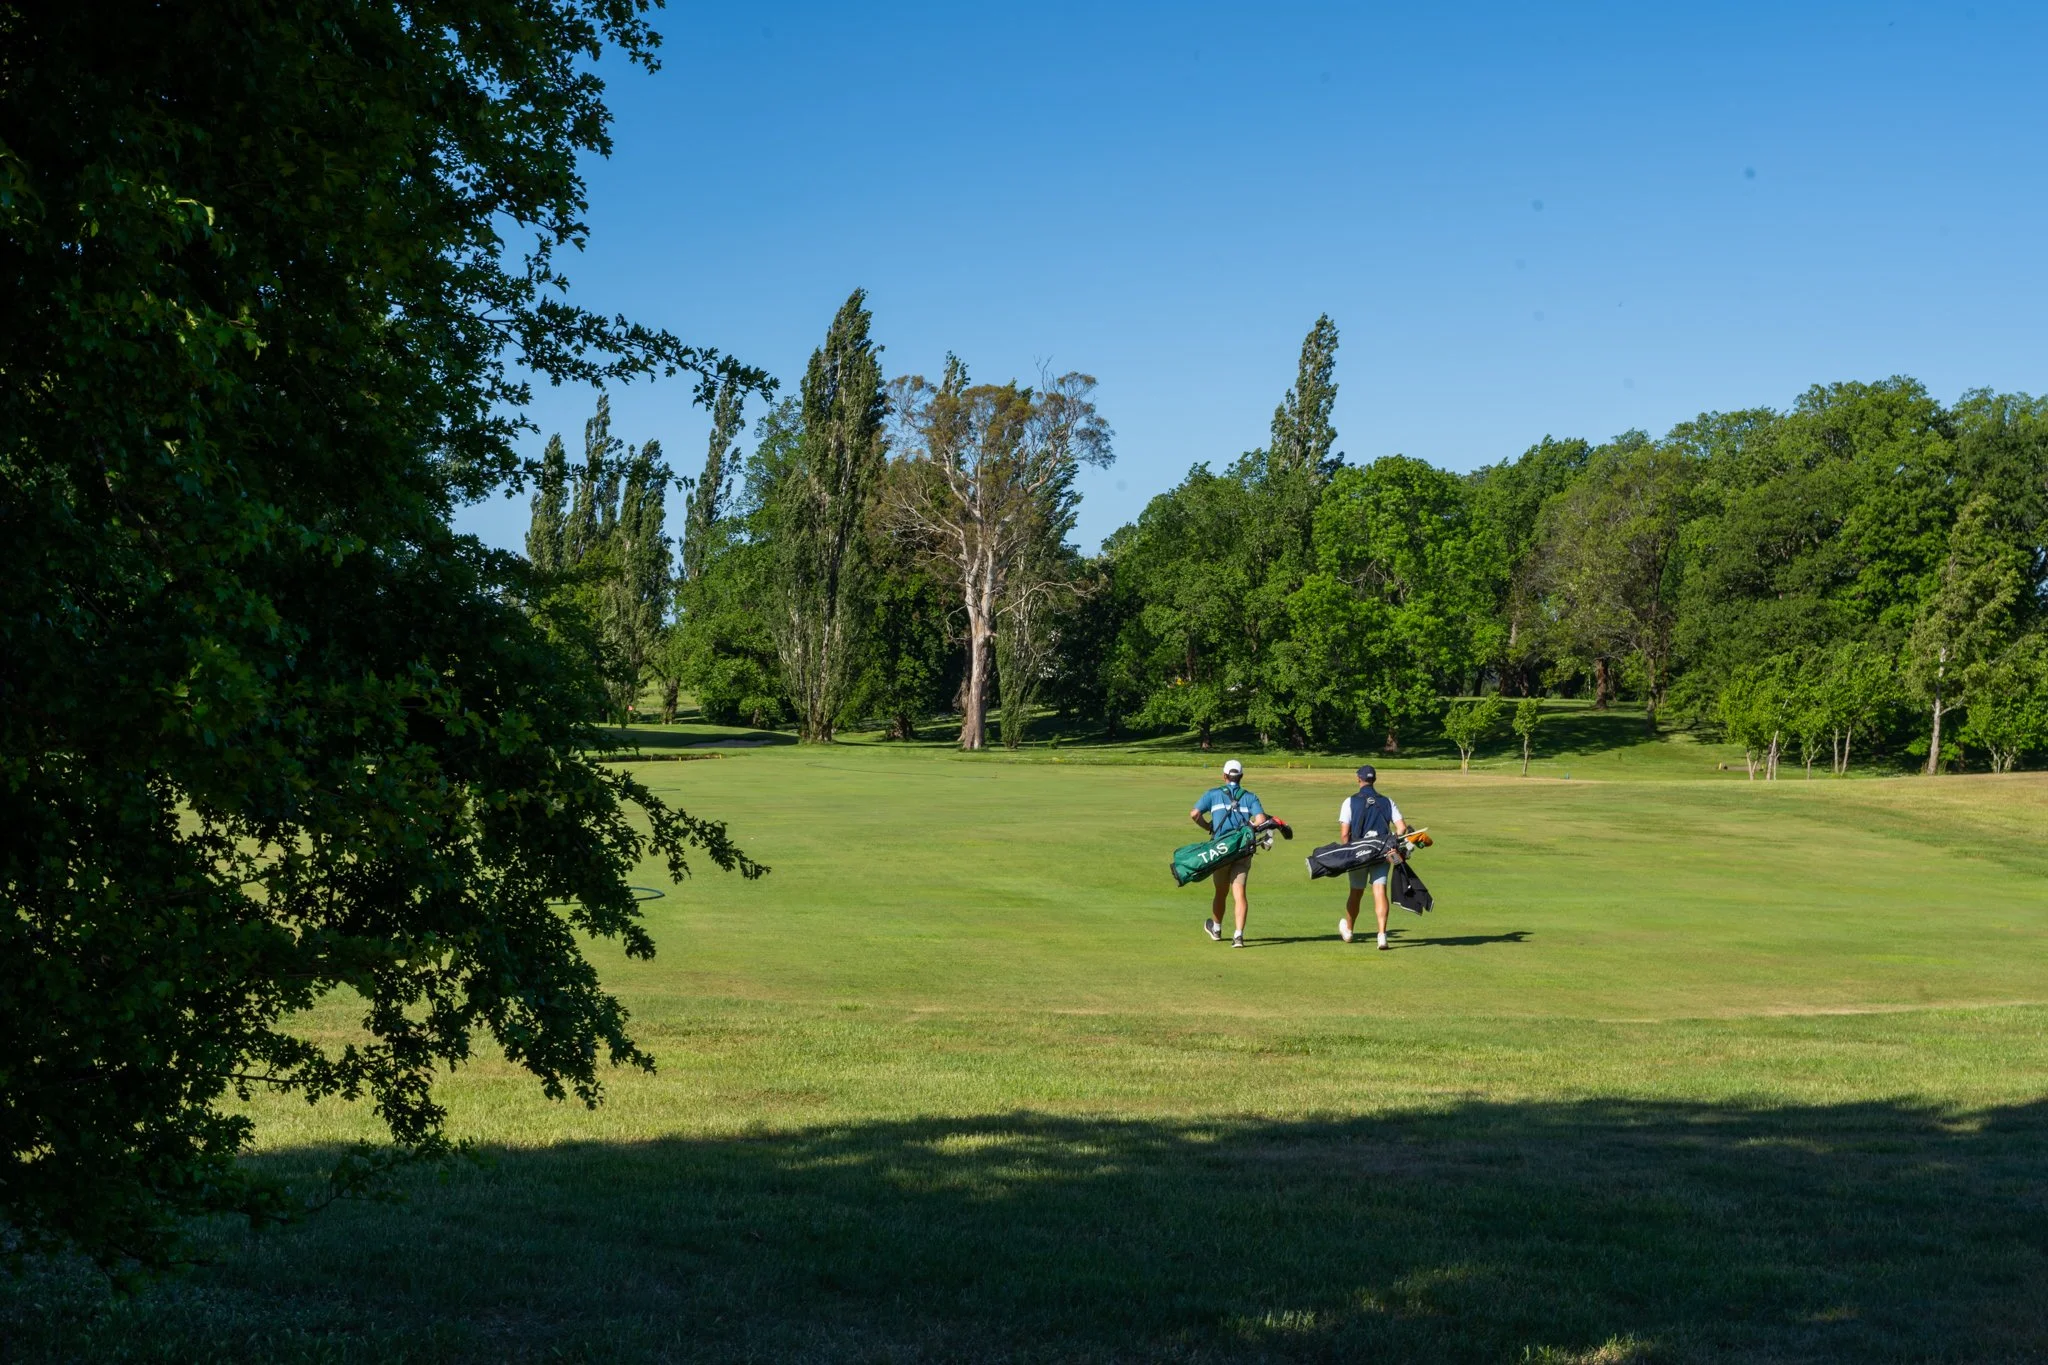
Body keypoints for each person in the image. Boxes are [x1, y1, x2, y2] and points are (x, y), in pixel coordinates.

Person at [1190, 759, 1276, 948]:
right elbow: (1261, 819)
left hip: (1220, 850)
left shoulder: (1213, 794)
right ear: (1241, 777)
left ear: (1224, 776)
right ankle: (1238, 936)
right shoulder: (1250, 797)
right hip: (1242, 851)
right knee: (1240, 893)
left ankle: (1216, 929)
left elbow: (1194, 814)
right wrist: (1249, 827)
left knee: (1220, 892)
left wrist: (1208, 827)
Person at [1336, 764, 1411, 951]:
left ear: (1358, 779)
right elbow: (1402, 828)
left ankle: (1349, 931)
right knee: (1379, 891)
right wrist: (1391, 843)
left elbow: (1344, 835)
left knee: (1356, 892)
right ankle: (1382, 936)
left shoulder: (1349, 801)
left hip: (1358, 853)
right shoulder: (1387, 801)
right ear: (1374, 780)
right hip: (1382, 853)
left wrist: (1349, 853)